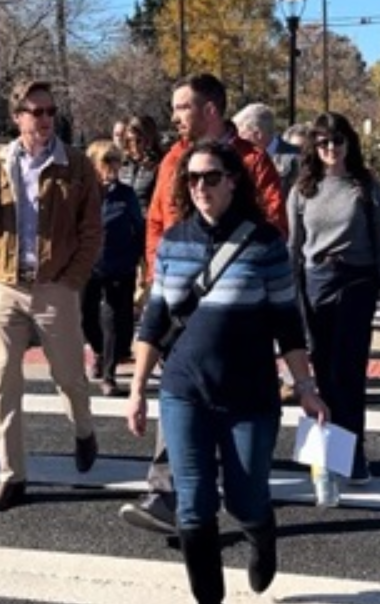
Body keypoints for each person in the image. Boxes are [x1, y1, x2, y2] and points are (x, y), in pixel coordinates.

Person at [128, 140, 328, 604]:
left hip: (250, 395)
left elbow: (287, 324)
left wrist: (306, 388)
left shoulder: (265, 244)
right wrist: (138, 388)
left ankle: (262, 532)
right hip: (184, 391)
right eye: (192, 178)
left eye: (211, 177)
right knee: (194, 506)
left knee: (244, 498)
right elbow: (155, 318)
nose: (200, 187)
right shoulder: (175, 241)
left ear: (233, 181)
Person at [119, 73, 287, 535]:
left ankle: (237, 499)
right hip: (182, 305)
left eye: (182, 108)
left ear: (209, 109)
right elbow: (157, 221)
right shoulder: (175, 158)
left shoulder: (253, 162)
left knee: (231, 417)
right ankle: (171, 494)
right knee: (179, 390)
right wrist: (163, 278)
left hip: (236, 310)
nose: (175, 118)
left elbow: (275, 229)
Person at [0, 79, 102, 512]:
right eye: (34, 112)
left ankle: (83, 429)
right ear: (17, 117)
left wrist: (70, 282)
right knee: (3, 380)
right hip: (8, 285)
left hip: (54, 288)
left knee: (69, 378)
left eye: (49, 112)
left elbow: (91, 231)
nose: (43, 120)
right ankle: (11, 476)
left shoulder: (75, 164)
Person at [287, 112, 380, 506]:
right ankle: (323, 463)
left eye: (337, 141)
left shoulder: (365, 186)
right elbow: (293, 249)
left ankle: (352, 457)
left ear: (349, 143)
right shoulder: (303, 189)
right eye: (322, 143)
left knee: (348, 373)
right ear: (313, 149)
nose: (331, 149)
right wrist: (285, 296)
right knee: (317, 374)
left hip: (357, 282)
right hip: (316, 282)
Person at [81, 140, 143, 396]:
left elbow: (139, 229)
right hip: (88, 266)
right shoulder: (84, 193)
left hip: (120, 265)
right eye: (107, 161)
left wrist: (141, 262)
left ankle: (109, 375)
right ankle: (97, 350)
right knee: (86, 317)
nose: (112, 167)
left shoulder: (126, 195)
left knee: (113, 321)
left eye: (116, 161)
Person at [233, 102, 300, 197]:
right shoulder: (242, 160)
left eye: (240, 135)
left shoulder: (297, 159)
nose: (236, 141)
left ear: (257, 134)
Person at [122, 114, 164, 215]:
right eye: (130, 141)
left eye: (139, 141)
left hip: (147, 223)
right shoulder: (122, 164)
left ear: (150, 140)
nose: (134, 146)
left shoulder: (160, 164)